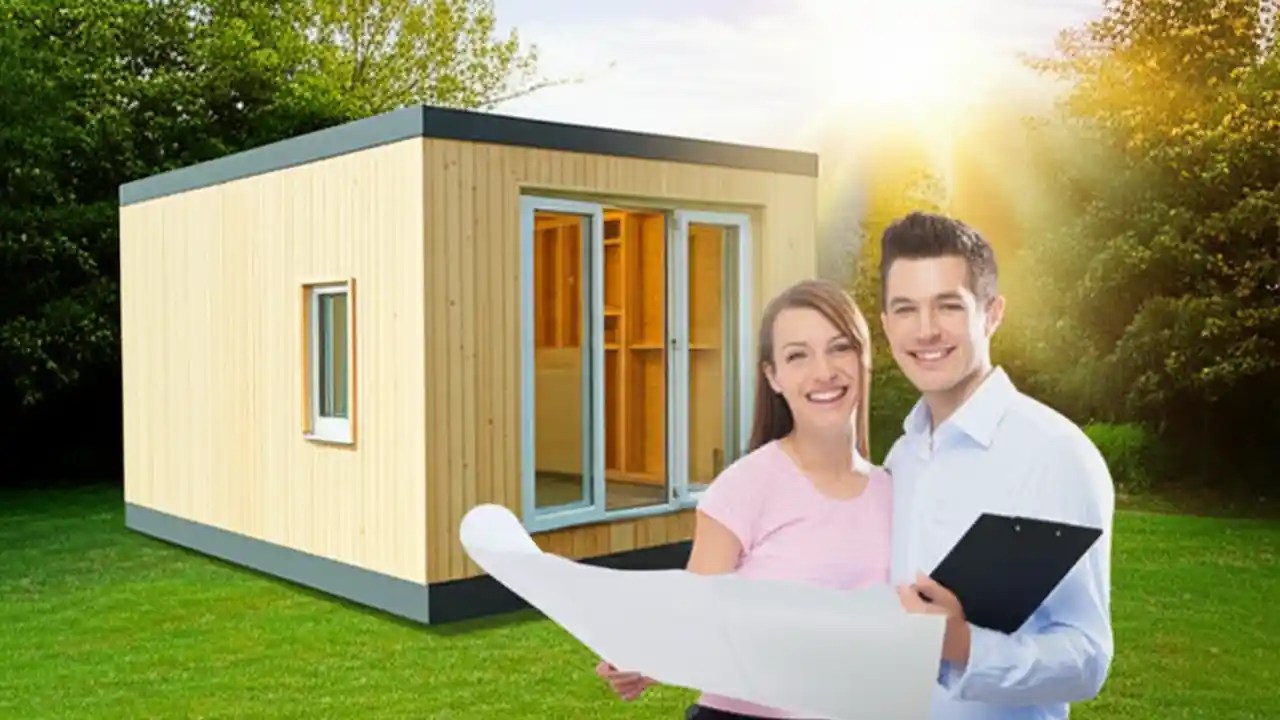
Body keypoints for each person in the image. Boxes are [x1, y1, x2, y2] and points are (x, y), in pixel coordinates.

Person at [595, 278, 891, 719]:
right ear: (772, 376)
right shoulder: (747, 486)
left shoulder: (894, 490)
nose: (824, 371)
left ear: (865, 358)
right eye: (797, 355)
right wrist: (646, 659)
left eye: (840, 348)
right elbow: (695, 613)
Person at [881, 212, 1115, 719]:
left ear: (992, 314)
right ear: (885, 324)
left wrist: (963, 646)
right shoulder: (902, 456)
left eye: (948, 305)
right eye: (905, 309)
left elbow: (1088, 656)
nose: (924, 330)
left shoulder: (1054, 454)